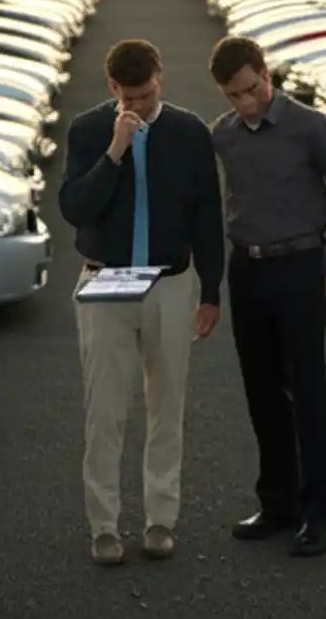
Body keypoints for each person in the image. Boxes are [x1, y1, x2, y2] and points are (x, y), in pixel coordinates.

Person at [60, 39, 225, 566]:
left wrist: (212, 292)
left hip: (169, 284)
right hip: (104, 283)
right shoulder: (89, 132)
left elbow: (207, 216)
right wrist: (115, 150)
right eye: (131, 96)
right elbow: (74, 208)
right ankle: (104, 527)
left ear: (162, 79)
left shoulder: (190, 133)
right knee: (105, 412)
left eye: (149, 93)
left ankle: (160, 520)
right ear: (113, 89)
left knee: (166, 407)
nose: (142, 104)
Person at [207, 36, 326, 558]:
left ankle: (321, 513)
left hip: (301, 269)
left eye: (253, 89)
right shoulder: (225, 135)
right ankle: (278, 505)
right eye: (235, 95)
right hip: (246, 271)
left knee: (308, 395)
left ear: (266, 74)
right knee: (261, 392)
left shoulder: (309, 125)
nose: (247, 102)